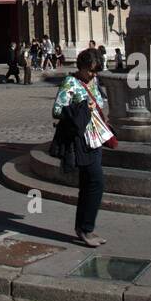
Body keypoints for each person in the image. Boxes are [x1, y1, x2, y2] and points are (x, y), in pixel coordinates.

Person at [51, 48, 112, 247]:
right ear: (82, 67)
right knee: (96, 182)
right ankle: (86, 228)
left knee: (88, 184)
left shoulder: (93, 82)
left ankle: (84, 228)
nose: (94, 75)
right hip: (81, 140)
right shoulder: (70, 82)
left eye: (96, 71)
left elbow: (100, 102)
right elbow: (57, 110)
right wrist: (85, 107)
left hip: (96, 138)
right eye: (91, 71)